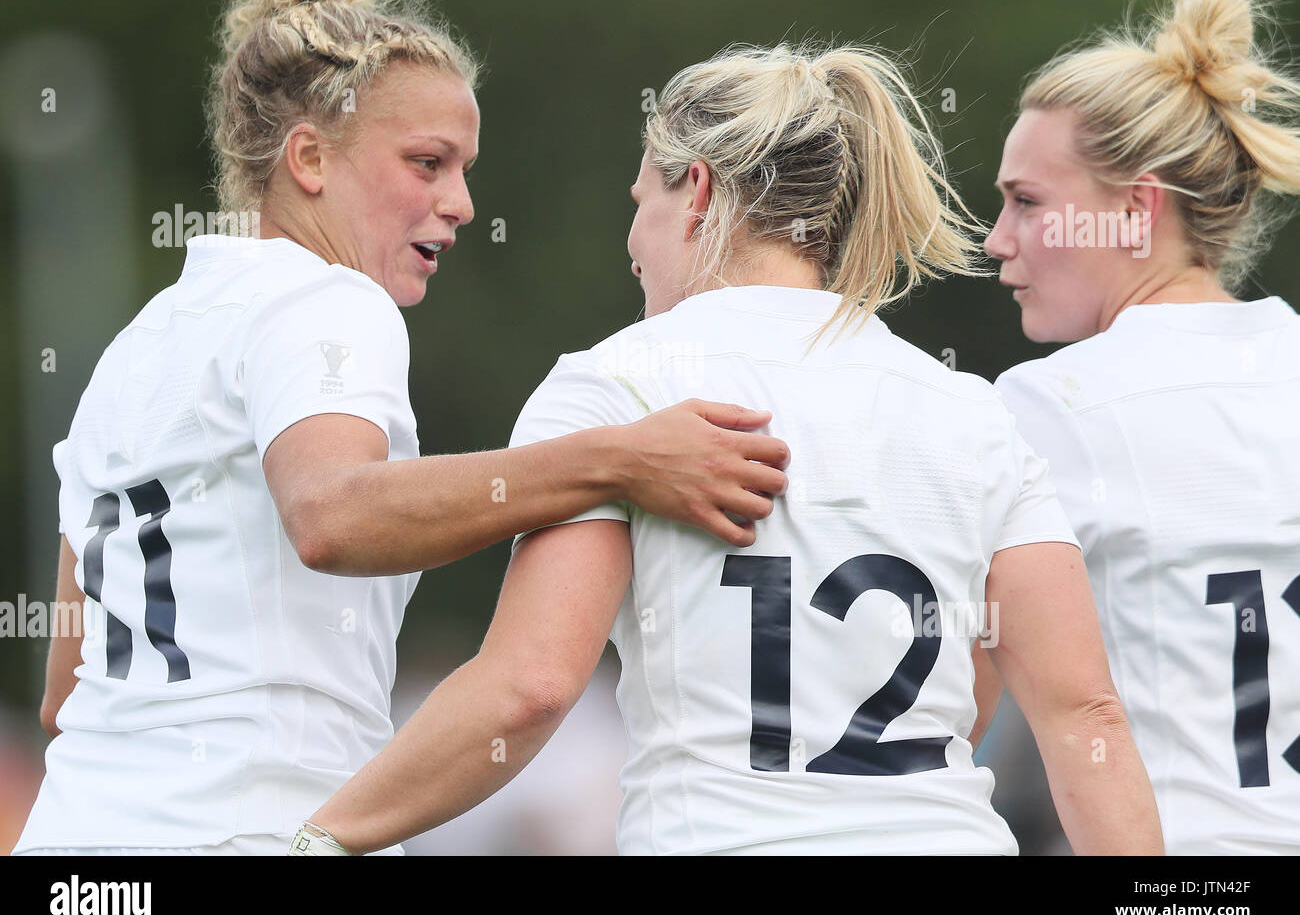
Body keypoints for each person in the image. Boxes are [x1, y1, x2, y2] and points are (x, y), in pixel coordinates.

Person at [13, 0, 789, 857]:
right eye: (427, 163)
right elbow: (333, 514)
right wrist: (619, 459)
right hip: (246, 832)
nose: (459, 203)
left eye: (463, 168)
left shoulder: (130, 351)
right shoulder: (327, 301)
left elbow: (64, 691)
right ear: (308, 159)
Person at [292, 43, 1162, 856]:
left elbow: (531, 688)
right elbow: (1084, 717)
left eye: (642, 206)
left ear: (698, 191)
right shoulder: (974, 412)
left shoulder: (617, 386)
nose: (634, 247)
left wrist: (322, 837)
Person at [984, 0, 1300, 854]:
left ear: (1136, 209)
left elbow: (951, 697)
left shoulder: (1048, 403)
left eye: (1026, 202)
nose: (997, 238)